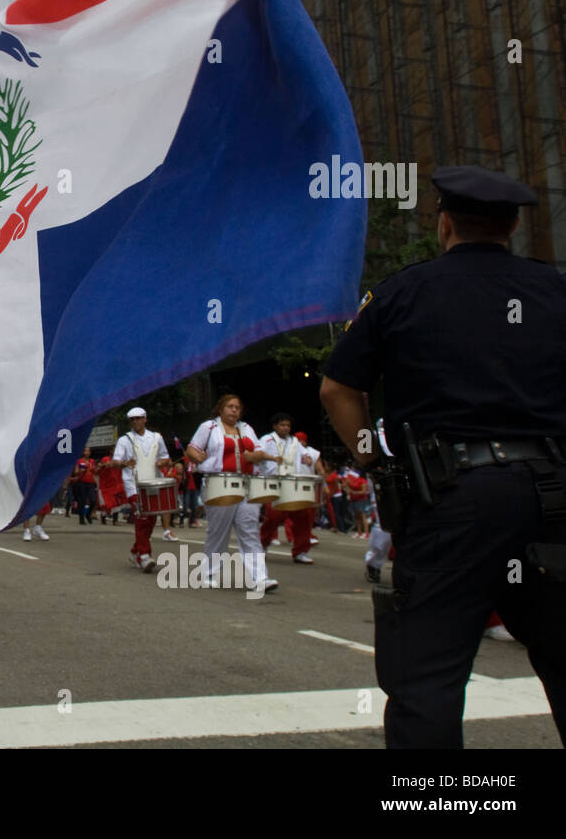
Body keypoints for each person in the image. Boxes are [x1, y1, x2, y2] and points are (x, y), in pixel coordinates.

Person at [320, 164, 566, 748]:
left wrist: (373, 465)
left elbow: (336, 389)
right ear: (510, 227)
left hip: (455, 496)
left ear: (445, 223)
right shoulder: (554, 289)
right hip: (555, 495)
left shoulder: (406, 290)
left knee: (427, 677)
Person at [184, 395, 280, 593]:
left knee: (250, 530)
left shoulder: (247, 429)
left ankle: (260, 578)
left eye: (237, 407)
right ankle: (209, 573)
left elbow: (257, 452)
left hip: (246, 484)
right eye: (230, 406)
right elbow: (192, 449)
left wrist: (254, 456)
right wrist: (197, 456)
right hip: (219, 483)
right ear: (221, 409)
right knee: (218, 531)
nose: (234, 410)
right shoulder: (209, 427)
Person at [112, 407, 171, 571]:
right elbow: (115, 462)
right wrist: (125, 463)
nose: (136, 422)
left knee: (151, 520)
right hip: (133, 485)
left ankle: (135, 551)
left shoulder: (157, 438)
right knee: (141, 518)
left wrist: (162, 462)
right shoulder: (125, 440)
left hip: (153, 483)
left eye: (138, 418)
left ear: (145, 419)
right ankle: (144, 556)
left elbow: (165, 456)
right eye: (132, 420)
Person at [256, 412, 314, 562]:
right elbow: (258, 454)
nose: (285, 428)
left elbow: (305, 454)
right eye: (282, 425)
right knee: (274, 516)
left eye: (288, 425)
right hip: (274, 482)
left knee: (303, 516)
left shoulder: (295, 441)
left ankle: (300, 551)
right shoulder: (267, 440)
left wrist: (307, 458)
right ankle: (261, 545)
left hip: (293, 483)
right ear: (275, 426)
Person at [70, 447, 99, 524]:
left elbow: (96, 471)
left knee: (93, 501)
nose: (87, 452)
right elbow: (76, 472)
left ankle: (88, 514)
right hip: (82, 483)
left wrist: (97, 468)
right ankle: (81, 518)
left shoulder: (92, 461)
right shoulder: (79, 461)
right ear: (83, 452)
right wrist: (80, 471)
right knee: (82, 501)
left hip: (91, 483)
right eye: (85, 451)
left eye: (88, 451)